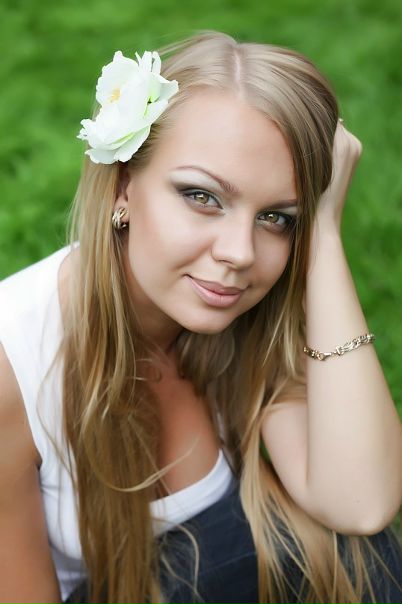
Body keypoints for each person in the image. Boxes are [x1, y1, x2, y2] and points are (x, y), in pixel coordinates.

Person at [0, 30, 401, 604]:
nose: (239, 253)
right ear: (123, 187)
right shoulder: (14, 364)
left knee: (355, 555)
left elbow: (360, 504)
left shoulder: (252, 316)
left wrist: (325, 235)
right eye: (202, 196)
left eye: (277, 218)